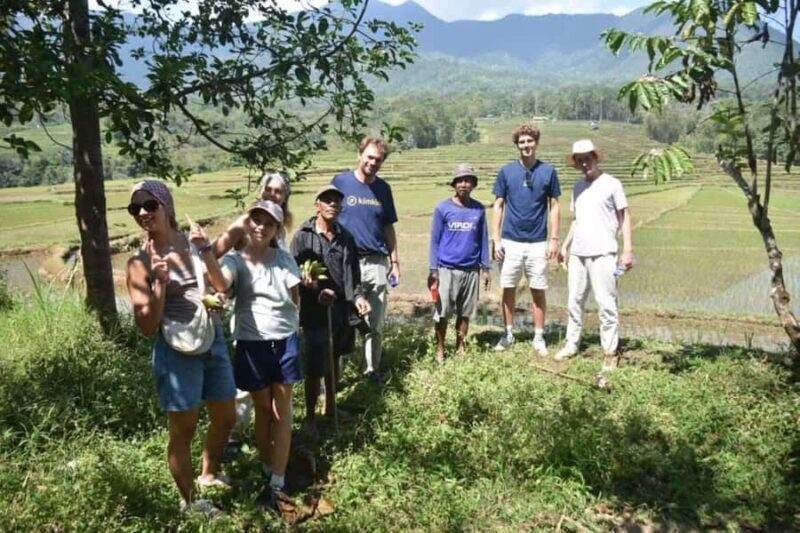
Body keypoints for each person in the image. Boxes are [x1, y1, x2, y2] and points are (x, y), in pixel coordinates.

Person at [125, 179, 236, 517]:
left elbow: (221, 287)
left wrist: (206, 253)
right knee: (183, 429)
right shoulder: (139, 263)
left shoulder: (192, 245)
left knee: (226, 416)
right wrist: (158, 284)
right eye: (136, 209)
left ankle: (207, 473)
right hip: (175, 349)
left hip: (211, 337)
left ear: (166, 205)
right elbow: (146, 327)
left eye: (149, 204)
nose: (143, 213)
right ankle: (190, 502)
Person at [191, 200, 302, 508]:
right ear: (248, 222)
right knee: (263, 410)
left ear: (276, 230)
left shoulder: (284, 259)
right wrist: (205, 250)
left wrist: (292, 321)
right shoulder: (236, 261)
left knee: (283, 410)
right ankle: (267, 463)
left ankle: (277, 478)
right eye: (256, 220)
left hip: (285, 342)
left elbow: (295, 295)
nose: (260, 227)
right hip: (251, 344)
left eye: (268, 223)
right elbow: (220, 283)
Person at [210, 170, 292, 460]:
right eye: (268, 189)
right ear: (260, 191)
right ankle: (235, 436)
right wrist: (220, 287)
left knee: (268, 391)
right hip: (246, 311)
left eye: (278, 191)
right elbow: (214, 251)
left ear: (285, 198)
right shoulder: (246, 224)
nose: (272, 194)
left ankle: (267, 446)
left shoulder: (279, 229)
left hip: (276, 321)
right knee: (249, 384)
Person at [290, 185, 371, 439]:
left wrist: (358, 297)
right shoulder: (303, 235)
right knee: (315, 366)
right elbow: (292, 274)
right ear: (317, 205)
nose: (333, 204)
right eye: (327, 200)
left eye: (337, 201)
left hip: (341, 310)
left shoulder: (346, 237)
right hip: (315, 311)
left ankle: (331, 408)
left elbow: (353, 274)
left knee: (335, 358)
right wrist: (314, 291)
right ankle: (310, 418)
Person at [556, 139, 634, 371]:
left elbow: (625, 216)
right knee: (574, 301)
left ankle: (610, 352)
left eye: (587, 159)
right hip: (579, 253)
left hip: (604, 253)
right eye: (579, 161)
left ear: (595, 158)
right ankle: (572, 343)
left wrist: (628, 249)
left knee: (606, 303)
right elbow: (577, 221)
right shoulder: (578, 188)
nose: (583, 164)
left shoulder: (612, 184)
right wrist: (565, 246)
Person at [332, 136, 399, 383]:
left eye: (378, 159)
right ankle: (336, 376)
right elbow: (328, 218)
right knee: (344, 320)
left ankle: (371, 370)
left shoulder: (383, 189)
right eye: (369, 157)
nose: (373, 162)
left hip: (377, 262)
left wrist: (395, 263)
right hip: (346, 263)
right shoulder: (341, 182)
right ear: (360, 155)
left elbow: (388, 227)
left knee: (376, 322)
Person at [492, 124, 561, 355]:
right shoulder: (507, 172)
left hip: (538, 242)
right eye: (522, 142)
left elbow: (554, 206)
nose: (526, 145)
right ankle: (508, 333)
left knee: (538, 289)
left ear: (536, 143)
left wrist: (553, 239)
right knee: (508, 288)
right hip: (510, 241)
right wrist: (496, 238)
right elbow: (498, 205)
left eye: (529, 141)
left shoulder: (548, 172)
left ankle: (539, 336)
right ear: (517, 145)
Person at [428, 163, 491, 362]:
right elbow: (435, 240)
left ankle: (460, 347)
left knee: (465, 313)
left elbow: (483, 239)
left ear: (473, 184)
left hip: (471, 269)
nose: (464, 184)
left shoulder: (478, 209)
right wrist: (433, 269)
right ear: (454, 184)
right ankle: (440, 348)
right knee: (443, 312)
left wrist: (486, 267)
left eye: (468, 180)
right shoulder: (442, 208)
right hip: (447, 268)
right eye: (460, 180)